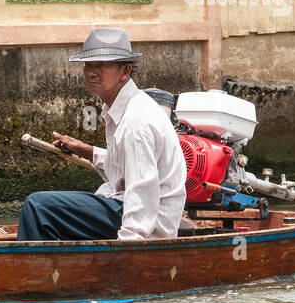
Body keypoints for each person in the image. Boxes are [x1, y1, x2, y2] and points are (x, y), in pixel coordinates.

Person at [17, 27, 186, 241]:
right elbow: (123, 169)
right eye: (88, 64)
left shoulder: (135, 122)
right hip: (127, 207)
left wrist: (129, 247)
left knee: (38, 206)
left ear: (125, 71)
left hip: (150, 223)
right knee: (48, 210)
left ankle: (35, 270)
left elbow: (142, 192)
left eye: (101, 66)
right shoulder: (123, 108)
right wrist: (86, 151)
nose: (91, 72)